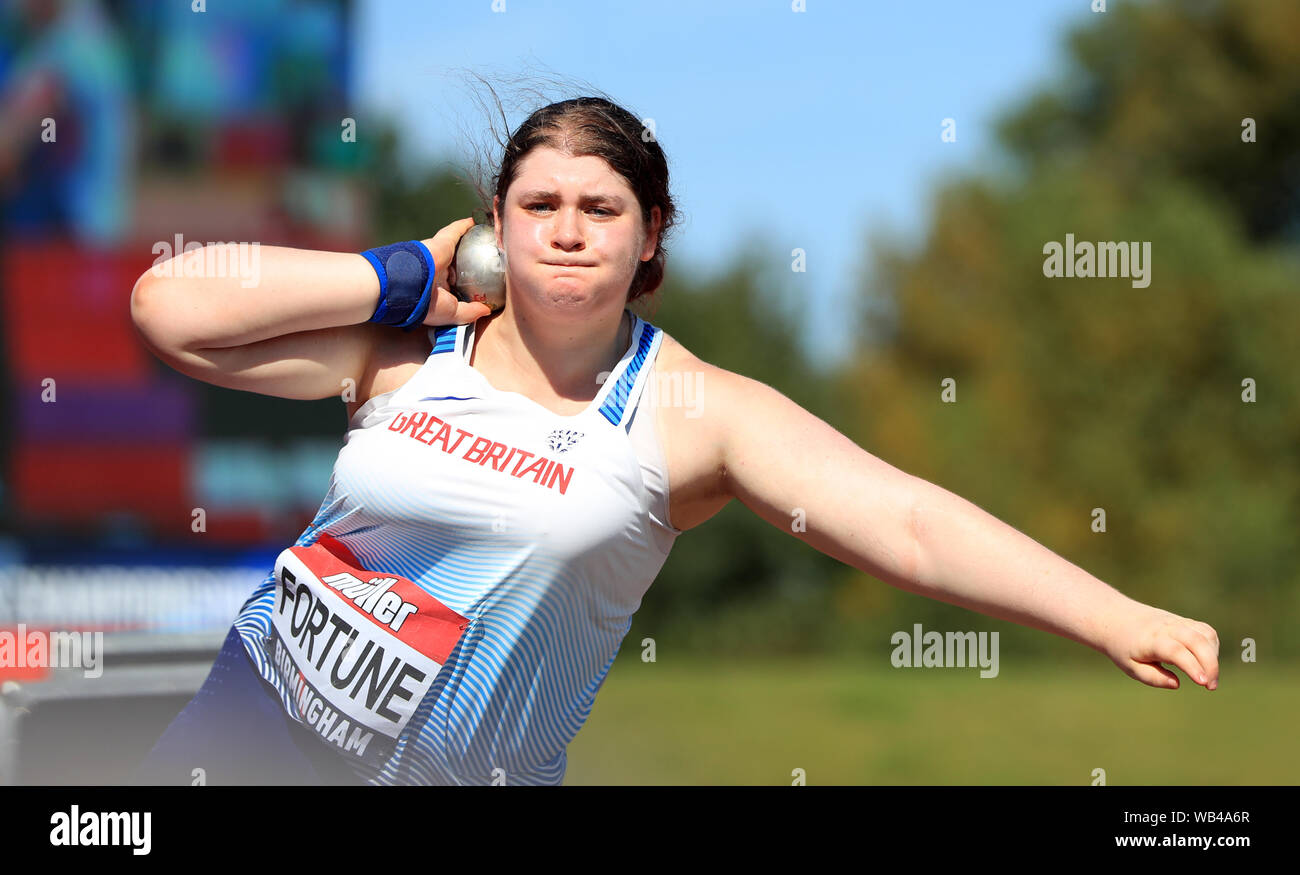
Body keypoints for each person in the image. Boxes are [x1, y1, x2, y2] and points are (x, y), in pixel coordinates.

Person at [128, 95, 1220, 786]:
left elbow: (907, 520)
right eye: (538, 202)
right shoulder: (408, 352)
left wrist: (1111, 611)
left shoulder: (694, 411)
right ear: (495, 224)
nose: (565, 229)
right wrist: (403, 272)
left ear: (651, 234)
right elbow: (169, 309)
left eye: (600, 208)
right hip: (251, 722)